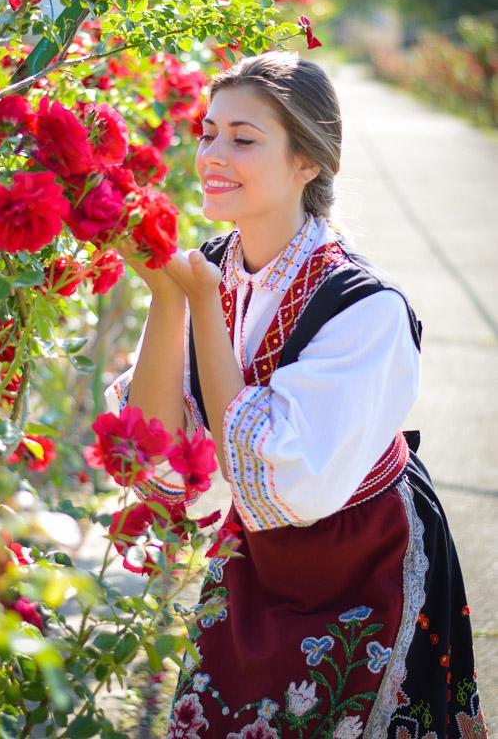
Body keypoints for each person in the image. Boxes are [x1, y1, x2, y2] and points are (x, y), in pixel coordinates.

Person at [105, 52, 487, 737]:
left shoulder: (365, 310)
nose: (214, 155)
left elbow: (278, 484)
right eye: (208, 131)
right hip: (254, 560)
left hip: (364, 556)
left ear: (308, 161)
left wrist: (202, 306)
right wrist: (168, 299)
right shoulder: (211, 268)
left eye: (244, 139)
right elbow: (159, 458)